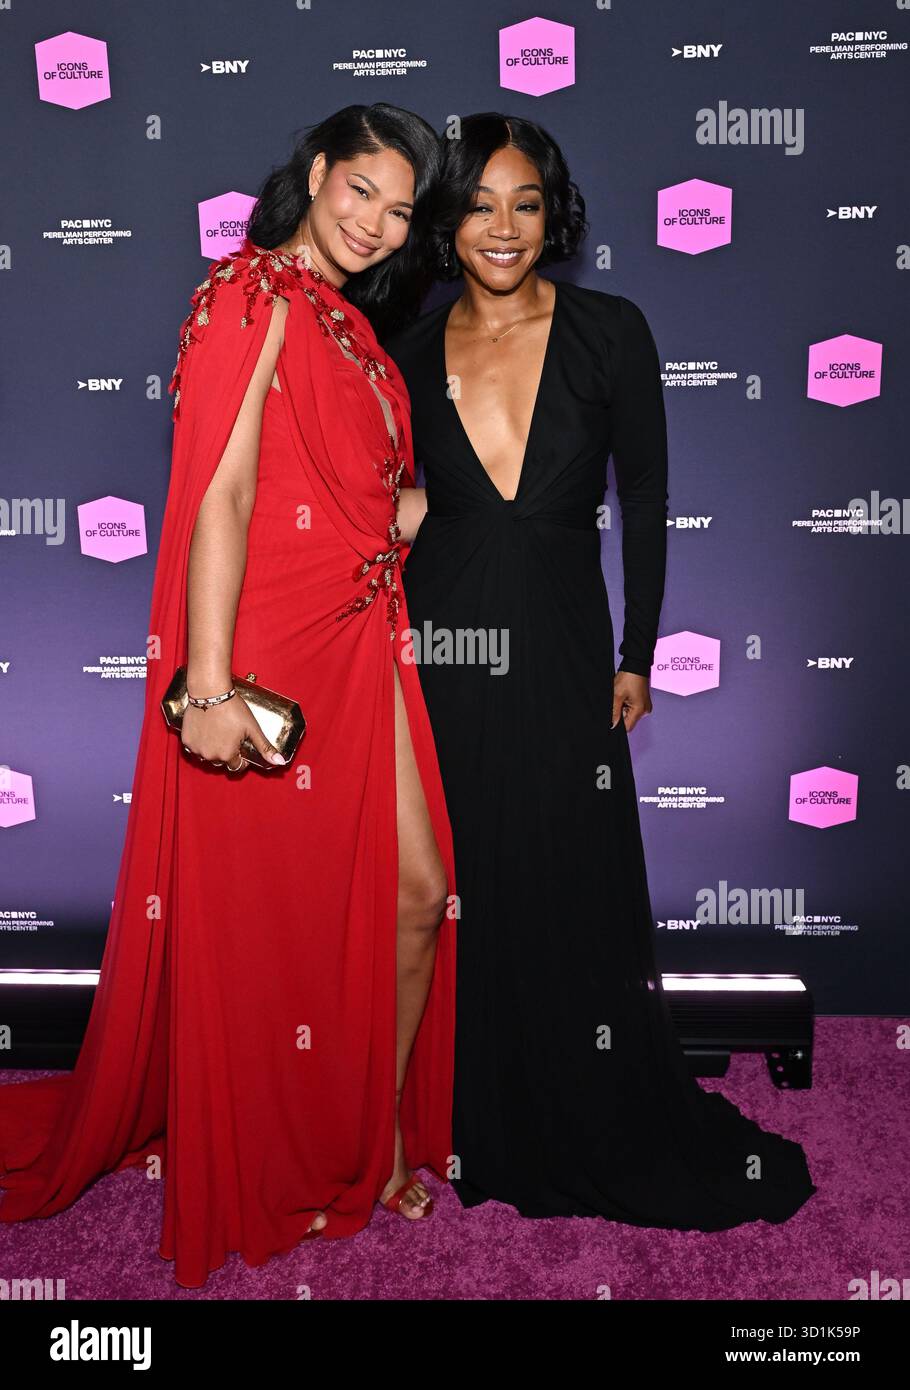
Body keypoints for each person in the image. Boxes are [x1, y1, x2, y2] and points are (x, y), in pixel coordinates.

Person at [0, 104, 457, 1289]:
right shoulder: (247, 292)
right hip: (271, 654)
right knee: (275, 924)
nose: (376, 223)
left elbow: (377, 492)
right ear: (314, 174)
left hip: (366, 637)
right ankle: (283, 1157)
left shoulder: (353, 323)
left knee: (418, 893)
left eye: (401, 210)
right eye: (360, 190)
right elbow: (224, 492)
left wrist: (405, 518)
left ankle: (371, 1134)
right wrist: (207, 687)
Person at [386, 113, 817, 1229]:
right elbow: (386, 497)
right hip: (440, 644)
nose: (501, 227)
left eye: (525, 203)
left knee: (564, 880)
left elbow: (650, 498)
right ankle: (465, 1120)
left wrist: (638, 653)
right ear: (445, 223)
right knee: (456, 881)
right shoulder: (411, 346)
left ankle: (573, 1105)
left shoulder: (609, 329)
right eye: (477, 204)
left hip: (569, 640)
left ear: (554, 214)